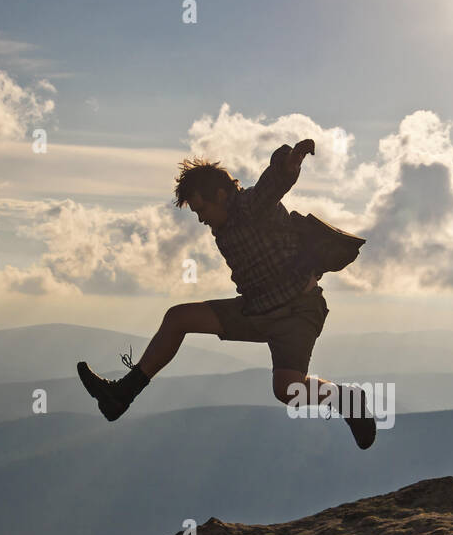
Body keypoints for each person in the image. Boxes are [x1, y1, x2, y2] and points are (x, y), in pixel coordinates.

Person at [76, 138, 376, 449]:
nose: (200, 218)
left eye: (202, 209)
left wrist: (288, 165)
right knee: (178, 318)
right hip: (256, 310)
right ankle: (121, 395)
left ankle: (347, 398)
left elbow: (271, 187)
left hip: (296, 312)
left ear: (221, 194)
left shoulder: (249, 206)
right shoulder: (222, 226)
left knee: (288, 391)